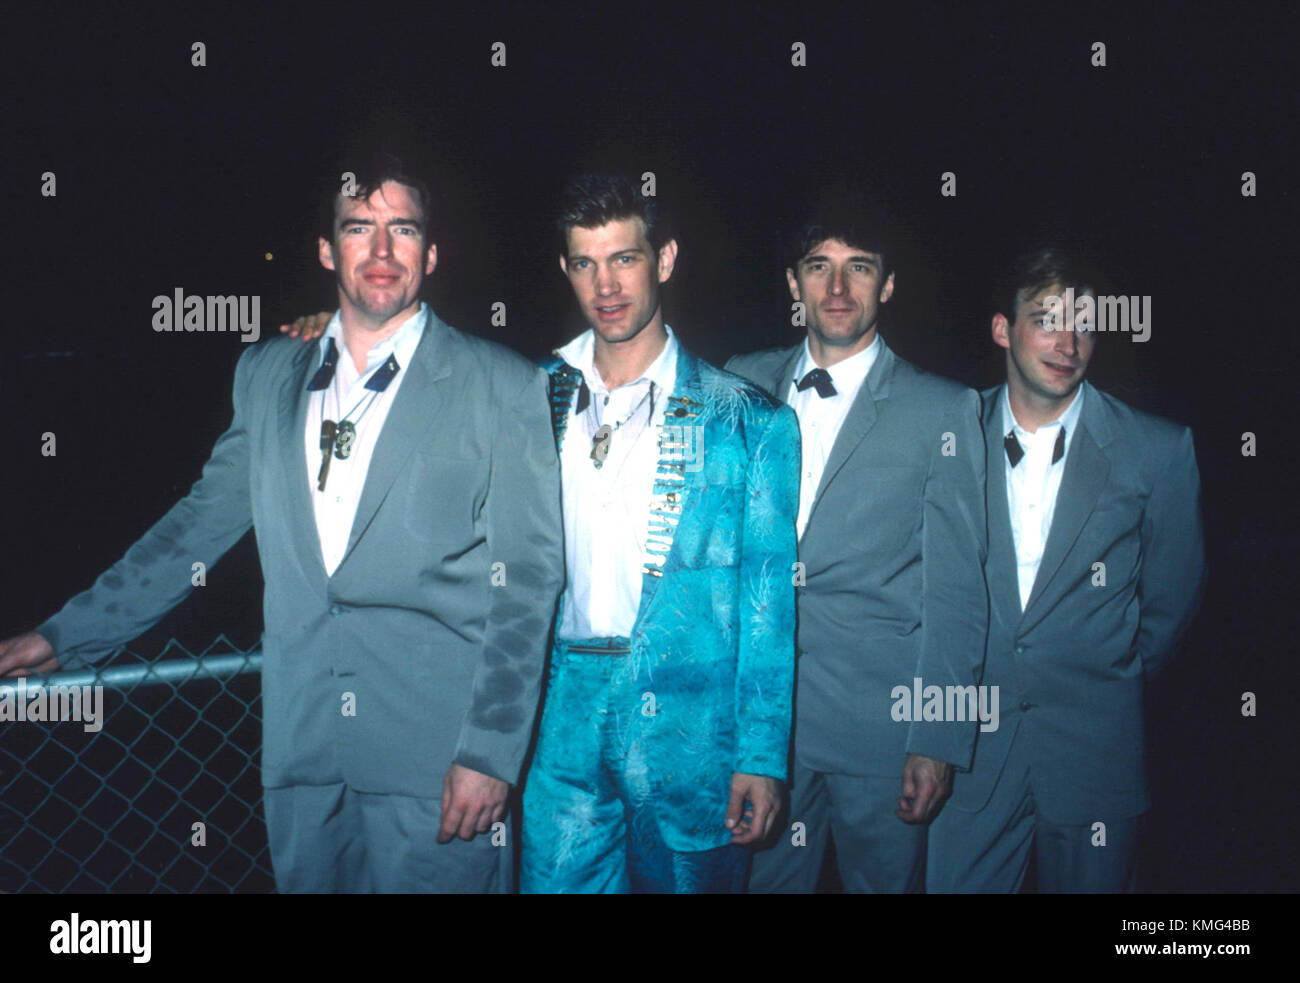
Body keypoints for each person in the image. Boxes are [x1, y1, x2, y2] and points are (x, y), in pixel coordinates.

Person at [0, 153, 565, 893]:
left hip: (439, 769)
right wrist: (67, 632)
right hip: (303, 761)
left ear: (431, 253)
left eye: (403, 229)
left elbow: (527, 582)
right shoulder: (267, 376)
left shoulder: (503, 385)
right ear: (329, 250)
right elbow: (195, 529)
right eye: (360, 228)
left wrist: (490, 754)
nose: (382, 250)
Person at [521, 173, 800, 893]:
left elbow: (769, 606)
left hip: (692, 727)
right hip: (562, 712)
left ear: (665, 259)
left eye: (625, 258)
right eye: (585, 262)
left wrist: (762, 757)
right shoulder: (529, 396)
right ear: (565, 269)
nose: (605, 284)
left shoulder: (750, 421)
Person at [926, 247, 1206, 892]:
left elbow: (1169, 605)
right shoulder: (947, 432)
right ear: (1003, 329)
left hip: (1095, 759)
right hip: (968, 760)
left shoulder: (1158, 450)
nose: (1069, 341)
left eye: (1084, 323)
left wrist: (1098, 670)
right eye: (1048, 319)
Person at [726, 204, 988, 893]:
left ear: (888, 284)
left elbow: (957, 593)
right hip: (759, 730)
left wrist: (937, 738)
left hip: (883, 733)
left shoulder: (946, 410)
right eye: (819, 267)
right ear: (793, 283)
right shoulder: (740, 383)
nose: (838, 288)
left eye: (859, 267)